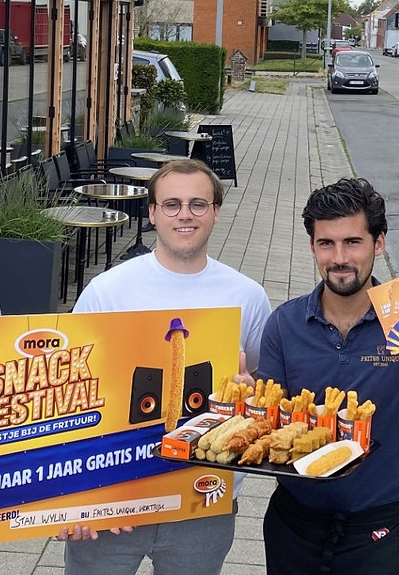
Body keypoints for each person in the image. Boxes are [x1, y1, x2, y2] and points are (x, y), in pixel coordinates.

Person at [257, 177, 399, 574]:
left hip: (378, 529)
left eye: (353, 242)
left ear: (378, 243)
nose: (339, 258)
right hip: (294, 523)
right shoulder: (285, 323)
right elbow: (269, 427)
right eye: (326, 243)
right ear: (313, 247)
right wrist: (247, 408)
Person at [63, 158, 271, 575]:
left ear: (215, 211)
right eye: (172, 204)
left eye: (198, 204)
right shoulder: (107, 290)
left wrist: (250, 395)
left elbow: (265, 390)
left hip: (203, 498)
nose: (185, 215)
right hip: (113, 495)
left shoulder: (247, 296)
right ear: (153, 213)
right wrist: (71, 498)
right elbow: (70, 395)